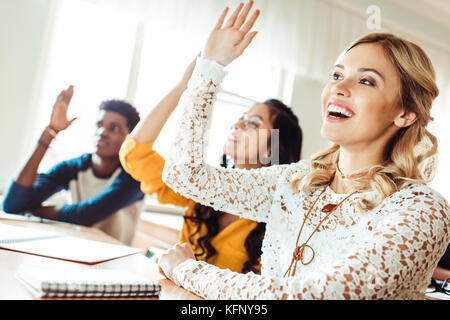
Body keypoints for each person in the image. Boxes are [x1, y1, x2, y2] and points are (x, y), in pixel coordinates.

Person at [158, 1, 450, 299]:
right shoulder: (299, 182)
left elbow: (317, 295)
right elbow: (184, 175)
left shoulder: (422, 209)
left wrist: (188, 269)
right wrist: (210, 67)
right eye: (337, 75)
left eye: (366, 80)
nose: (339, 87)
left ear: (405, 114)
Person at [119, 56, 303, 274]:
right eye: (241, 117)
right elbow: (135, 155)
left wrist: (186, 269)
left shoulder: (284, 220)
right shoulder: (200, 187)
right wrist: (183, 88)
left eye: (253, 122)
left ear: (271, 149)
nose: (237, 124)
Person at [2, 86, 145, 245]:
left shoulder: (135, 176)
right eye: (99, 125)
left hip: (118, 261)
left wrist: (34, 211)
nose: (102, 132)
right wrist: (51, 131)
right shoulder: (74, 168)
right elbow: (12, 204)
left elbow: (86, 215)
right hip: (74, 251)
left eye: (114, 128)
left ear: (129, 138)